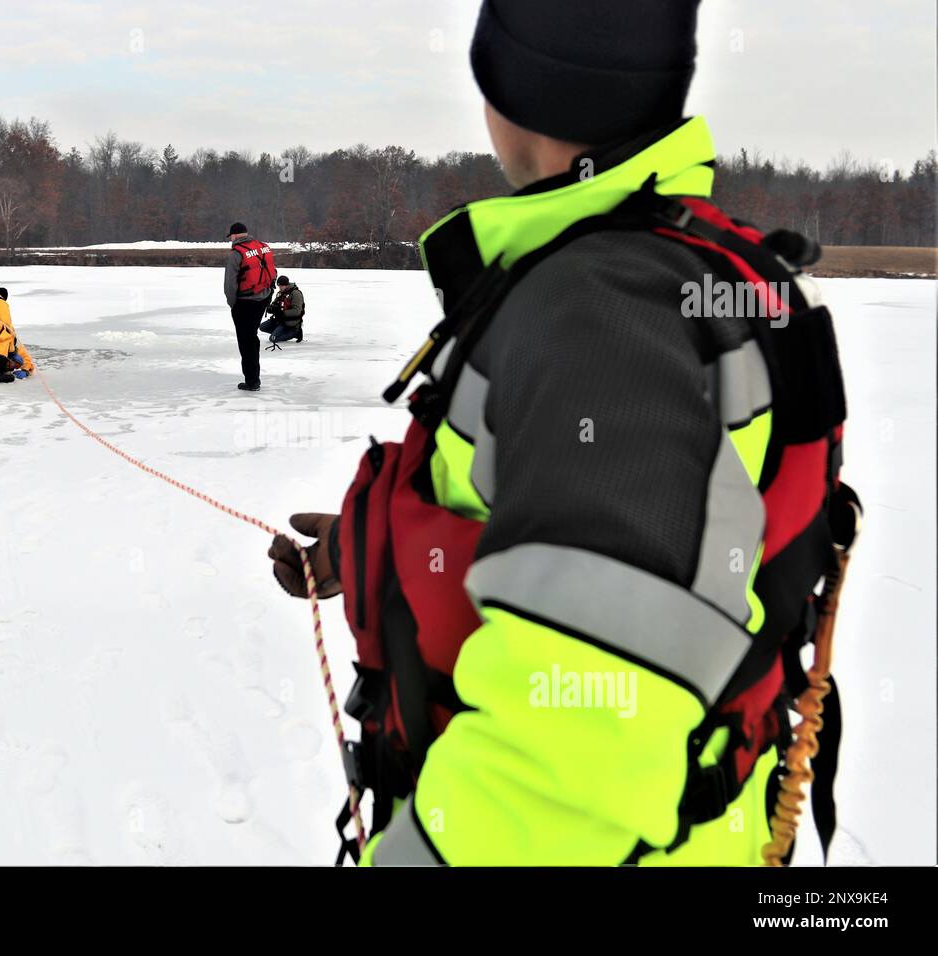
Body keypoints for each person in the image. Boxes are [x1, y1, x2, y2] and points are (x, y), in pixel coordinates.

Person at [267, 0, 855, 868]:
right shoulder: (683, 270)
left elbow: (575, 758)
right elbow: (644, 533)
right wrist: (366, 552)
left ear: (511, 87)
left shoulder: (604, 313)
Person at [223, 222, 276, 391]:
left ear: (234, 235)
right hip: (263, 298)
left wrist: (233, 304)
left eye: (230, 236)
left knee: (246, 341)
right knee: (251, 337)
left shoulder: (235, 254)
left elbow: (229, 284)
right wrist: (268, 294)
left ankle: (252, 381)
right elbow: (273, 272)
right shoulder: (263, 247)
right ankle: (254, 377)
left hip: (245, 303)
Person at [260, 275, 305, 347]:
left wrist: (282, 313)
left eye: (281, 286)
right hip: (280, 320)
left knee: (273, 339)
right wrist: (271, 308)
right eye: (279, 286)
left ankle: (295, 333)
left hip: (289, 321)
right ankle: (281, 331)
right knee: (262, 327)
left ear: (286, 285)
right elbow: (275, 304)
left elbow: (297, 311)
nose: (280, 288)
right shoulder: (281, 293)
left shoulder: (295, 293)